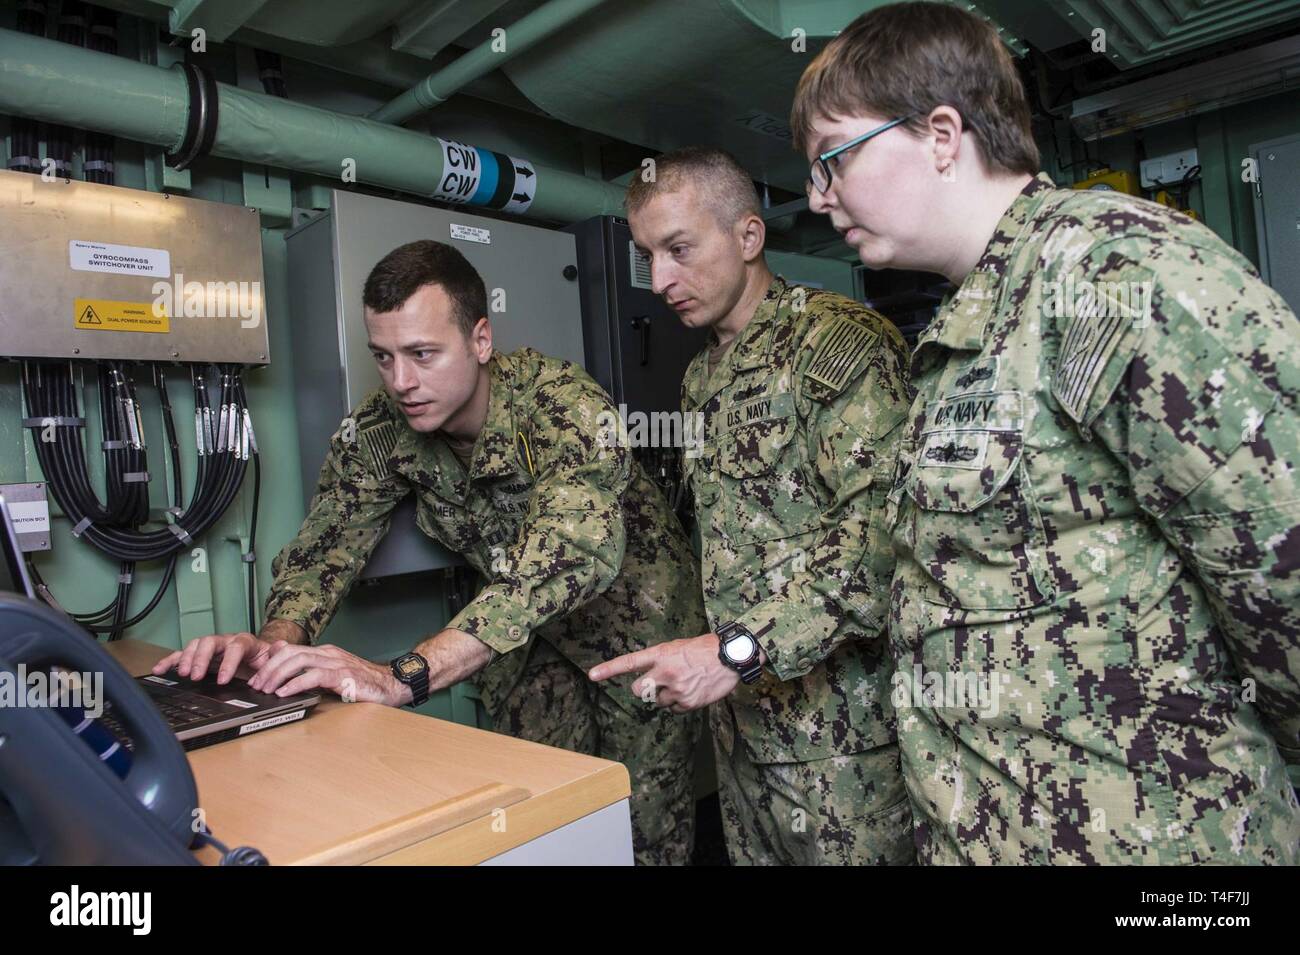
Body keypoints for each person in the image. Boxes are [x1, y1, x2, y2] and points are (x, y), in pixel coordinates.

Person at [792, 0, 1300, 863]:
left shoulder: (1112, 267)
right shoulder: (965, 325)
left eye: (833, 159)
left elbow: (1279, 556)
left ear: (943, 134)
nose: (818, 195)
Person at [155, 240, 704, 865]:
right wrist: (277, 645)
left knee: (645, 824)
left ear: (481, 340)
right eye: (383, 358)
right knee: (539, 818)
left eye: (422, 354)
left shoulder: (561, 406)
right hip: (522, 642)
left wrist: (401, 676)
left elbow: (565, 557)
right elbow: (325, 545)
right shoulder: (382, 429)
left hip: (637, 629)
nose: (401, 382)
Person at [592, 147, 915, 864]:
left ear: (747, 236)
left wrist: (735, 650)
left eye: (678, 248)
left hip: (843, 750)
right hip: (741, 734)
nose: (660, 280)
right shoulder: (701, 373)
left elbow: (885, 540)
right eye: (647, 256)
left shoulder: (834, 344)